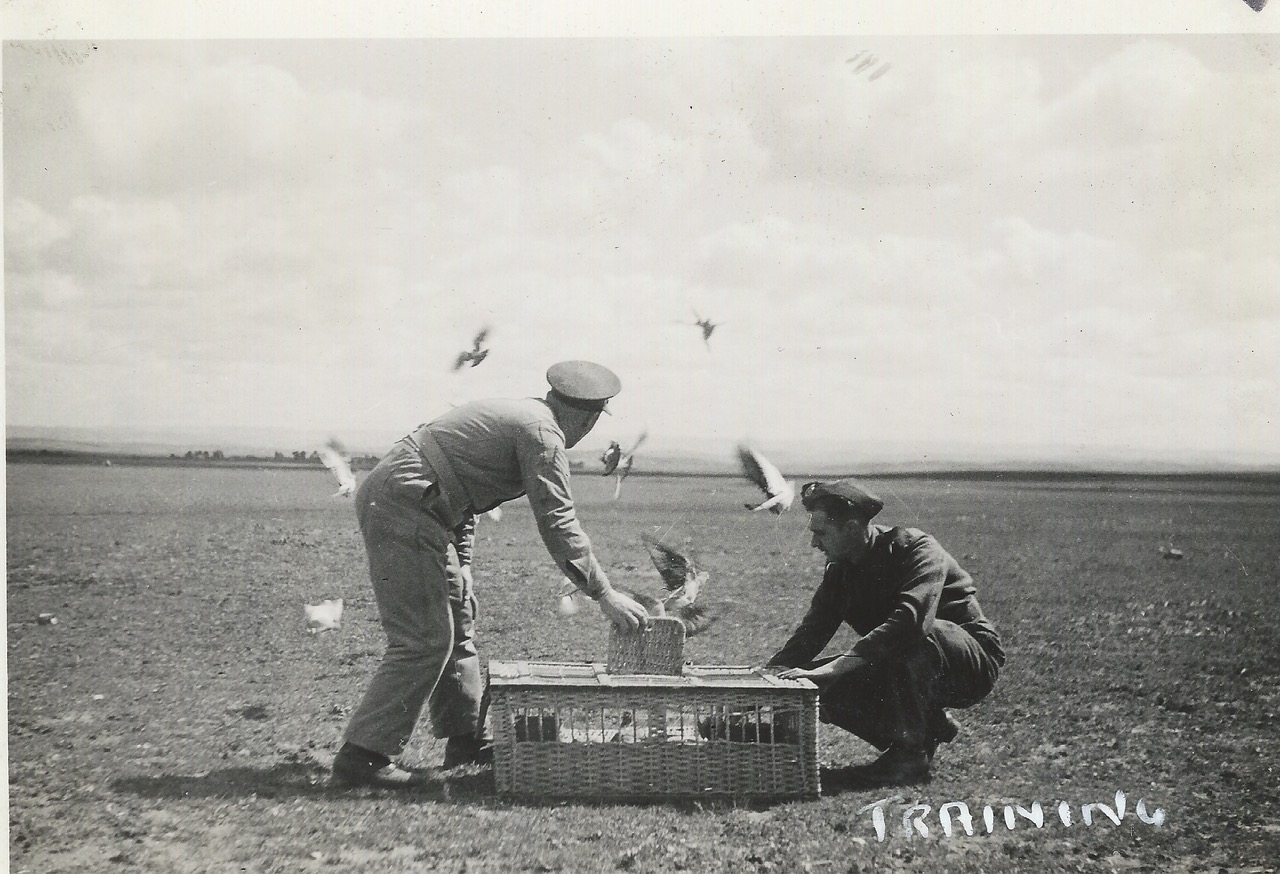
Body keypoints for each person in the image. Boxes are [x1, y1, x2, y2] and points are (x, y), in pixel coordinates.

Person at [331, 361, 652, 788]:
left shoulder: (527, 416)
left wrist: (461, 563)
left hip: (421, 500)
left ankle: (465, 739)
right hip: (406, 502)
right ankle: (362, 757)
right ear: (589, 416)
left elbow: (460, 486)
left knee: (457, 619)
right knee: (423, 639)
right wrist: (603, 592)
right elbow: (557, 519)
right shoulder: (542, 434)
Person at [766, 479, 1005, 786]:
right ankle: (929, 724)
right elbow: (811, 634)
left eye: (820, 533)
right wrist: (766, 678)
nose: (814, 543)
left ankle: (909, 756)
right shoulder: (841, 571)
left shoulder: (917, 549)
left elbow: (912, 622)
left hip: (968, 666)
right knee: (808, 681)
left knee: (916, 637)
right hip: (900, 664)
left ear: (852, 528)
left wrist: (836, 667)